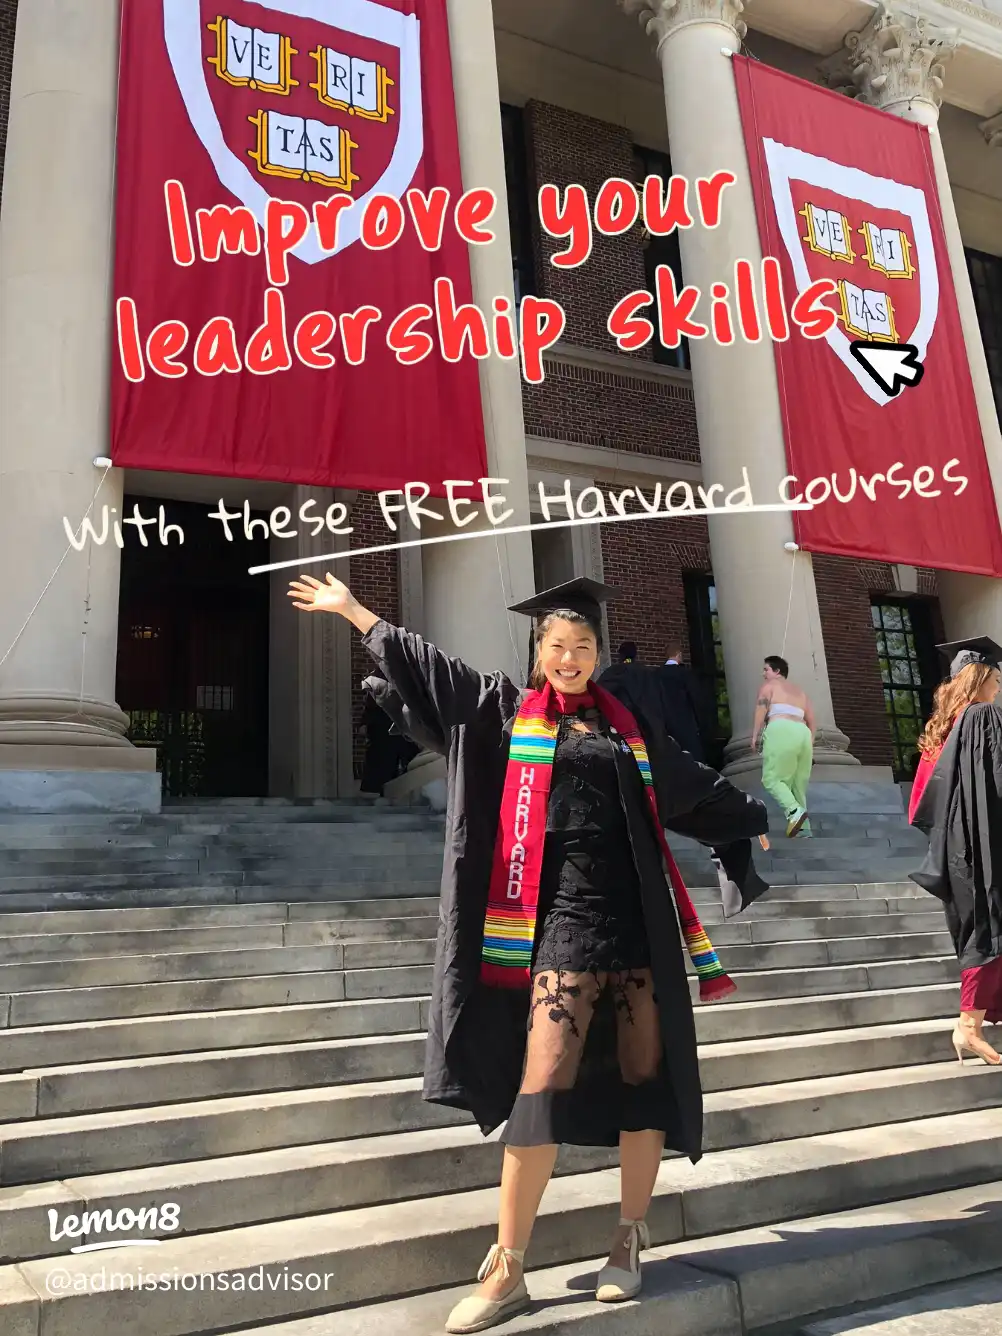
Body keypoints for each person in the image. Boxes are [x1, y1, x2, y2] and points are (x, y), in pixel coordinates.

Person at [288, 572, 769, 1332]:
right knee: (539, 1084)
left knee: (645, 1080)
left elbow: (691, 785)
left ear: (598, 653)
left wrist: (750, 816)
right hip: (562, 923)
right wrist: (356, 613)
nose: (571, 657)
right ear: (539, 653)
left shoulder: (627, 727)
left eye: (583, 646)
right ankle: (508, 1263)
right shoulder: (508, 712)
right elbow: (433, 670)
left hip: (638, 919)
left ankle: (627, 1239)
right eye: (558, 646)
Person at [909, 636, 1002, 1067]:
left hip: (956, 850)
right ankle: (968, 1025)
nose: (1000, 688)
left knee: (979, 929)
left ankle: (970, 1025)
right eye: (996, 679)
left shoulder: (938, 734)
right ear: (981, 678)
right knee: (989, 925)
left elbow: (920, 808)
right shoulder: (983, 718)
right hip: (983, 845)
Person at [751, 655, 815, 838]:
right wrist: (809, 743)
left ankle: (794, 811)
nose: (763, 674)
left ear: (777, 671)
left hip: (781, 728)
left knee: (771, 779)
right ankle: (804, 829)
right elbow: (812, 721)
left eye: (766, 669)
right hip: (803, 733)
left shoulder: (768, 687)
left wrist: (755, 735)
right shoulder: (801, 692)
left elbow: (760, 710)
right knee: (798, 784)